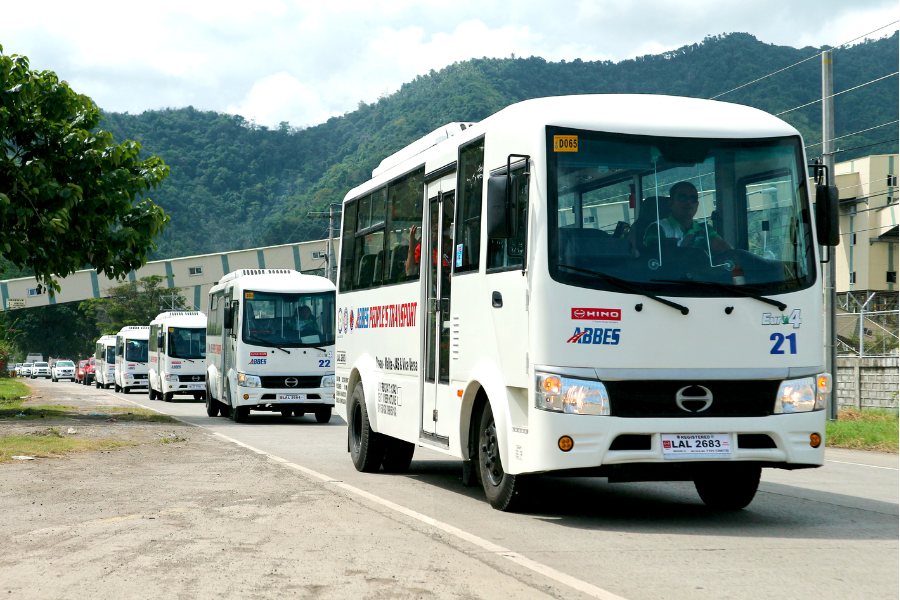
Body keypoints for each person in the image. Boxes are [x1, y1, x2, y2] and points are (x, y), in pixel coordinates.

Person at [643, 181, 732, 253]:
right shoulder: (658, 228)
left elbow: (722, 247)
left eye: (693, 198)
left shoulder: (705, 230)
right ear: (671, 203)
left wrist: (735, 257)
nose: (689, 202)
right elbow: (653, 256)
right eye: (683, 198)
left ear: (697, 205)